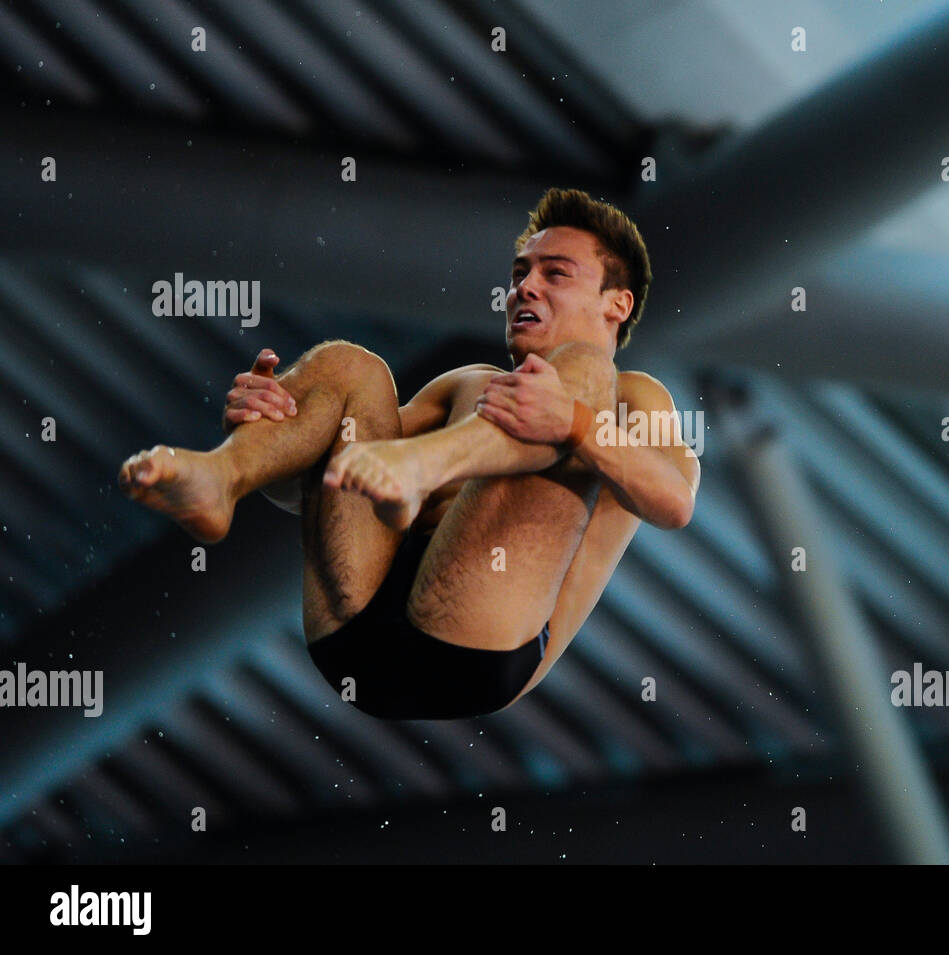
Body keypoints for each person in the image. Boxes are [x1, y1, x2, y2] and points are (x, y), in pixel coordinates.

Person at [118, 188, 700, 719]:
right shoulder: (466, 384)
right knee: (350, 365)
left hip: (472, 650)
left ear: (616, 305)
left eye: (556, 274)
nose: (525, 287)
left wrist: (574, 423)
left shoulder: (635, 397)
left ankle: (426, 466)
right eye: (521, 273)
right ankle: (221, 475)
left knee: (580, 374)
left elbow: (674, 503)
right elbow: (319, 485)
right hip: (354, 636)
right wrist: (270, 426)